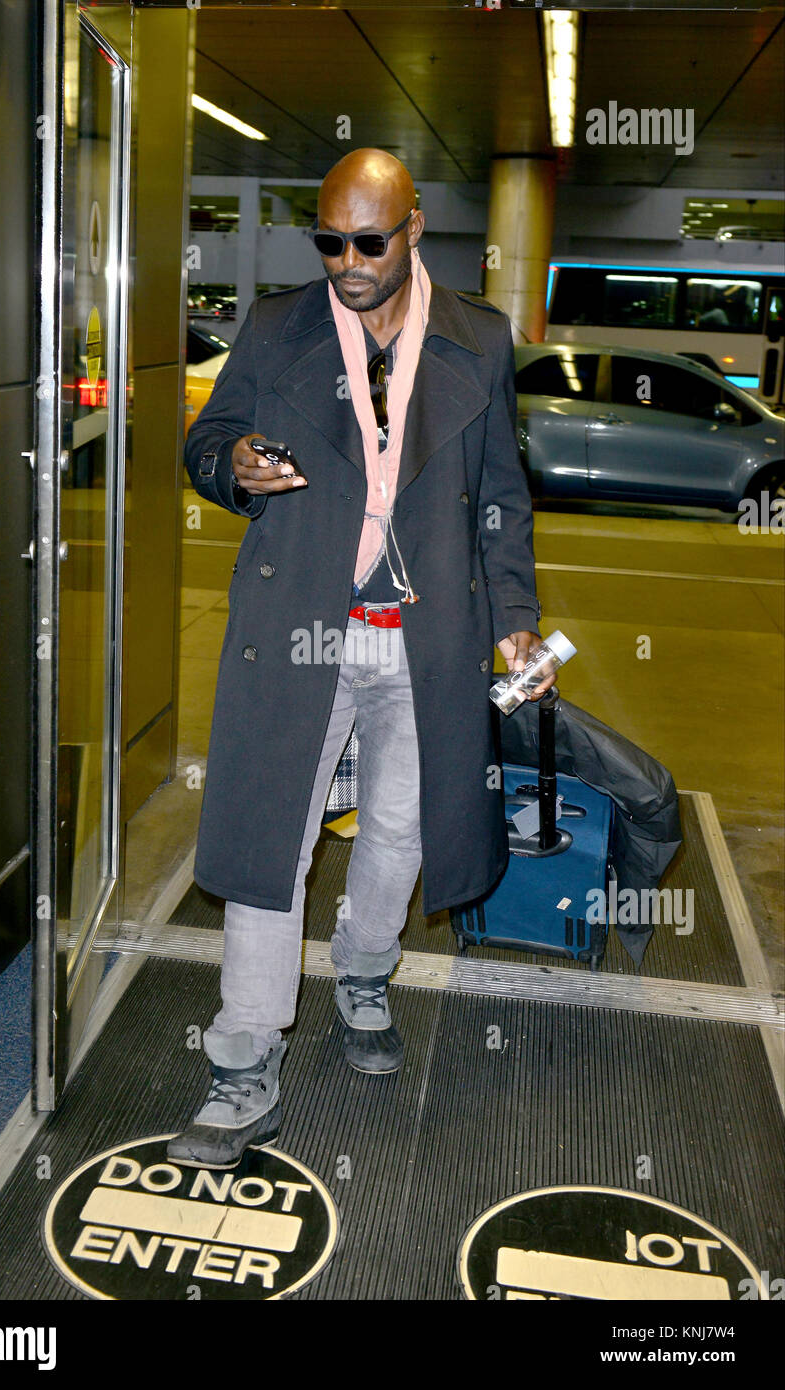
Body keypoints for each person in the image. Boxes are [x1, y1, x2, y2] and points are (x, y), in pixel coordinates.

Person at [170, 149, 554, 1169]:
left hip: (426, 637)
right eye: (328, 240)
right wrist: (236, 467)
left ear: (413, 227)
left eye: (367, 242)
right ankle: (243, 1056)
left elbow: (503, 501)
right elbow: (207, 445)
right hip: (301, 624)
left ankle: (363, 969)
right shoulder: (275, 330)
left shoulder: (476, 339)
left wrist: (513, 613)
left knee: (396, 831)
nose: (346, 261)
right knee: (270, 833)